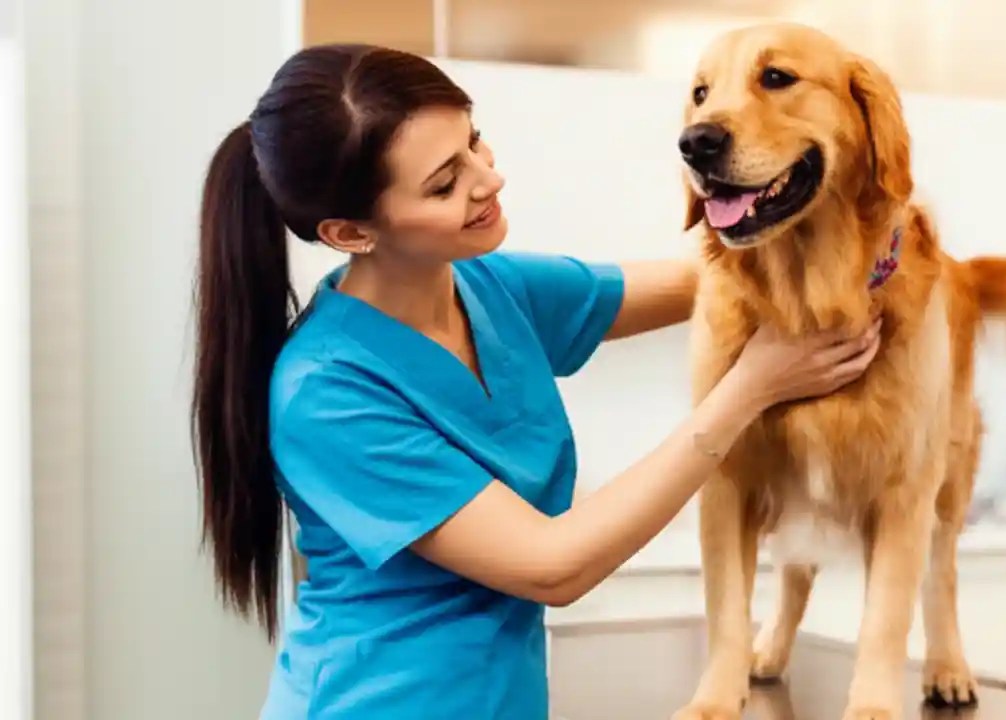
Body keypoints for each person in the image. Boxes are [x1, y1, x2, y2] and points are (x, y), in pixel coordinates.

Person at [190, 43, 882, 720]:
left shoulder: (490, 288)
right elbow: (553, 568)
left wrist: (870, 253)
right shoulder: (328, 392)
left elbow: (708, 280)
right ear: (349, 233)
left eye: (475, 144)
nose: (487, 180)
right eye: (443, 183)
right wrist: (749, 388)